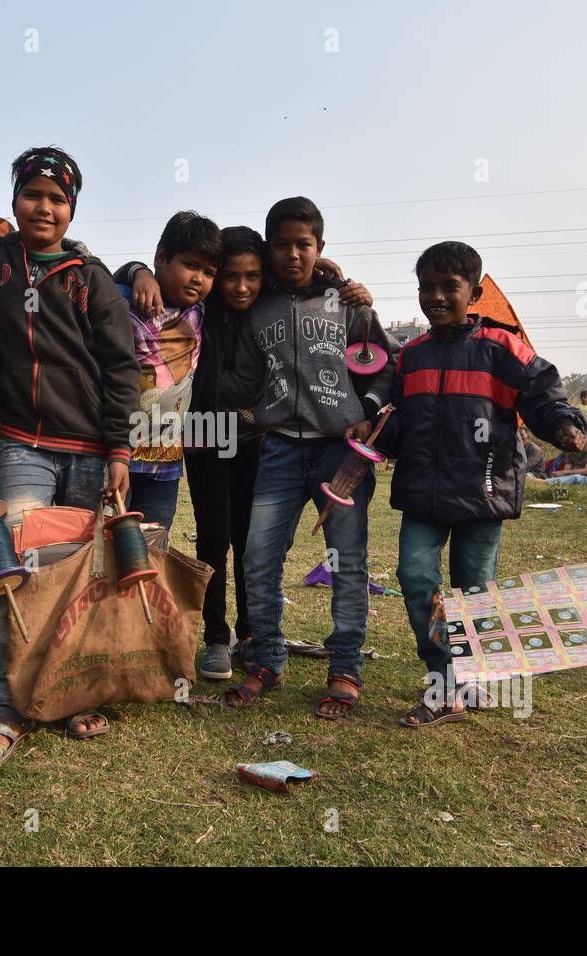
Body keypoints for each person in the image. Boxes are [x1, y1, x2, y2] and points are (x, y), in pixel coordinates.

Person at [120, 227, 377, 680]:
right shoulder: (203, 306)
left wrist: (333, 276)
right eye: (231, 276)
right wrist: (139, 269)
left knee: (253, 543)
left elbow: (302, 283)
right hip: (203, 436)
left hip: (258, 438)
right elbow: (134, 274)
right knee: (214, 538)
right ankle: (217, 638)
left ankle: (252, 632)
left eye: (252, 276)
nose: (241, 287)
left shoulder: (271, 303)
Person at [0, 146, 140, 770]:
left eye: (57, 198)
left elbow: (123, 368)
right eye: (33, 194)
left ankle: (72, 693)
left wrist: (119, 447)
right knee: (16, 571)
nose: (45, 206)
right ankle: (8, 705)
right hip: (22, 444)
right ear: (14, 201)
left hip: (91, 450)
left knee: (80, 579)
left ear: (72, 210)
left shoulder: (88, 278)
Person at [373, 240, 587, 728]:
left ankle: (461, 683)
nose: (436, 297)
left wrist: (564, 426)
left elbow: (543, 396)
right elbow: (400, 420)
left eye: (449, 287)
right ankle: (444, 679)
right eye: (426, 288)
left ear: (474, 292)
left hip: (484, 495)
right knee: (415, 580)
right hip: (423, 497)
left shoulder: (503, 348)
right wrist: (376, 436)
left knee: (474, 596)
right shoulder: (411, 356)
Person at [220, 196, 396, 717]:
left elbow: (383, 370)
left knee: (347, 563)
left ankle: (344, 668)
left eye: (304, 244)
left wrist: (366, 408)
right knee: (257, 557)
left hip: (340, 456)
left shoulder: (350, 304)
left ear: (320, 247)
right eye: (282, 244)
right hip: (277, 452)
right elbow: (248, 380)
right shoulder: (258, 308)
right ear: (269, 247)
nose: (293, 254)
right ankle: (267, 660)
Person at [119, 211, 222, 529]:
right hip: (116, 456)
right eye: (190, 265)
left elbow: (259, 278)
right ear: (162, 257)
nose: (198, 279)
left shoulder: (202, 310)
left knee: (153, 552)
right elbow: (103, 275)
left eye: (208, 272)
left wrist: (320, 271)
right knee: (105, 552)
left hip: (165, 464)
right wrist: (139, 273)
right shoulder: (124, 300)